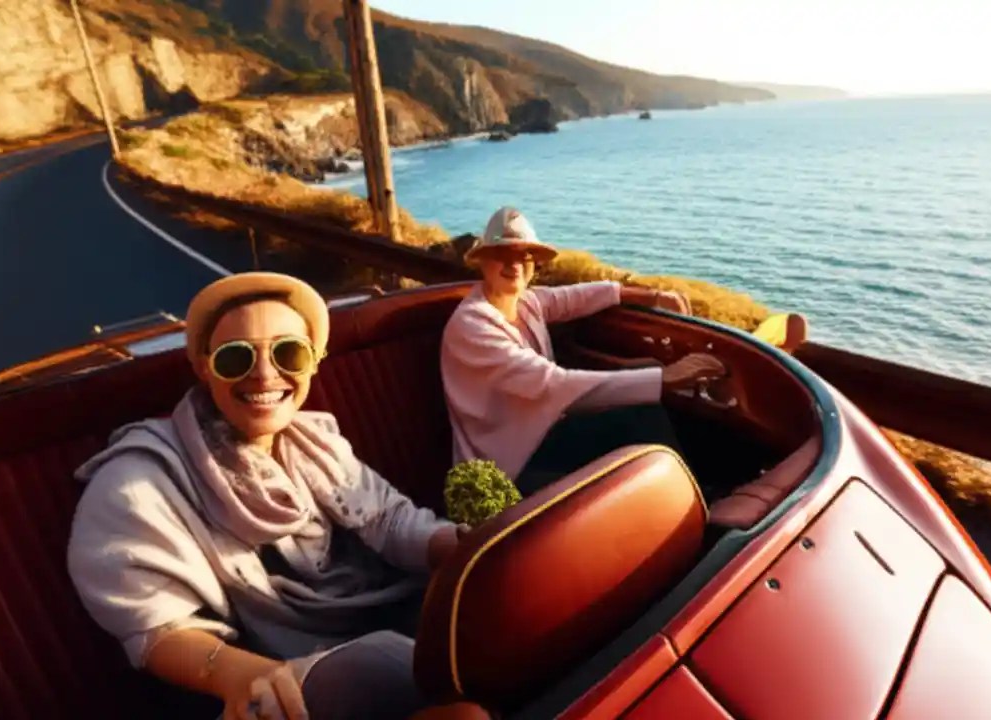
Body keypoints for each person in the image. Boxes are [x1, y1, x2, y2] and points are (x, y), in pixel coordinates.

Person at [67, 272, 461, 720]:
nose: (265, 374)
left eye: (288, 353)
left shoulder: (317, 443)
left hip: (373, 617)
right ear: (204, 367)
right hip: (260, 681)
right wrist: (242, 674)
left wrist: (458, 546)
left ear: (313, 363)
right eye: (237, 358)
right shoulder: (139, 480)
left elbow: (390, 521)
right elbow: (158, 628)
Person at [441, 207, 726, 494]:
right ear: (483, 262)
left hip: (543, 437)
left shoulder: (525, 302)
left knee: (655, 415)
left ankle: (705, 489)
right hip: (509, 467)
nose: (514, 264)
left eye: (525, 255)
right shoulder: (472, 325)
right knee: (641, 419)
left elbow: (574, 297)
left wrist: (651, 296)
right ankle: (694, 502)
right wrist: (663, 378)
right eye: (502, 254)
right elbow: (551, 384)